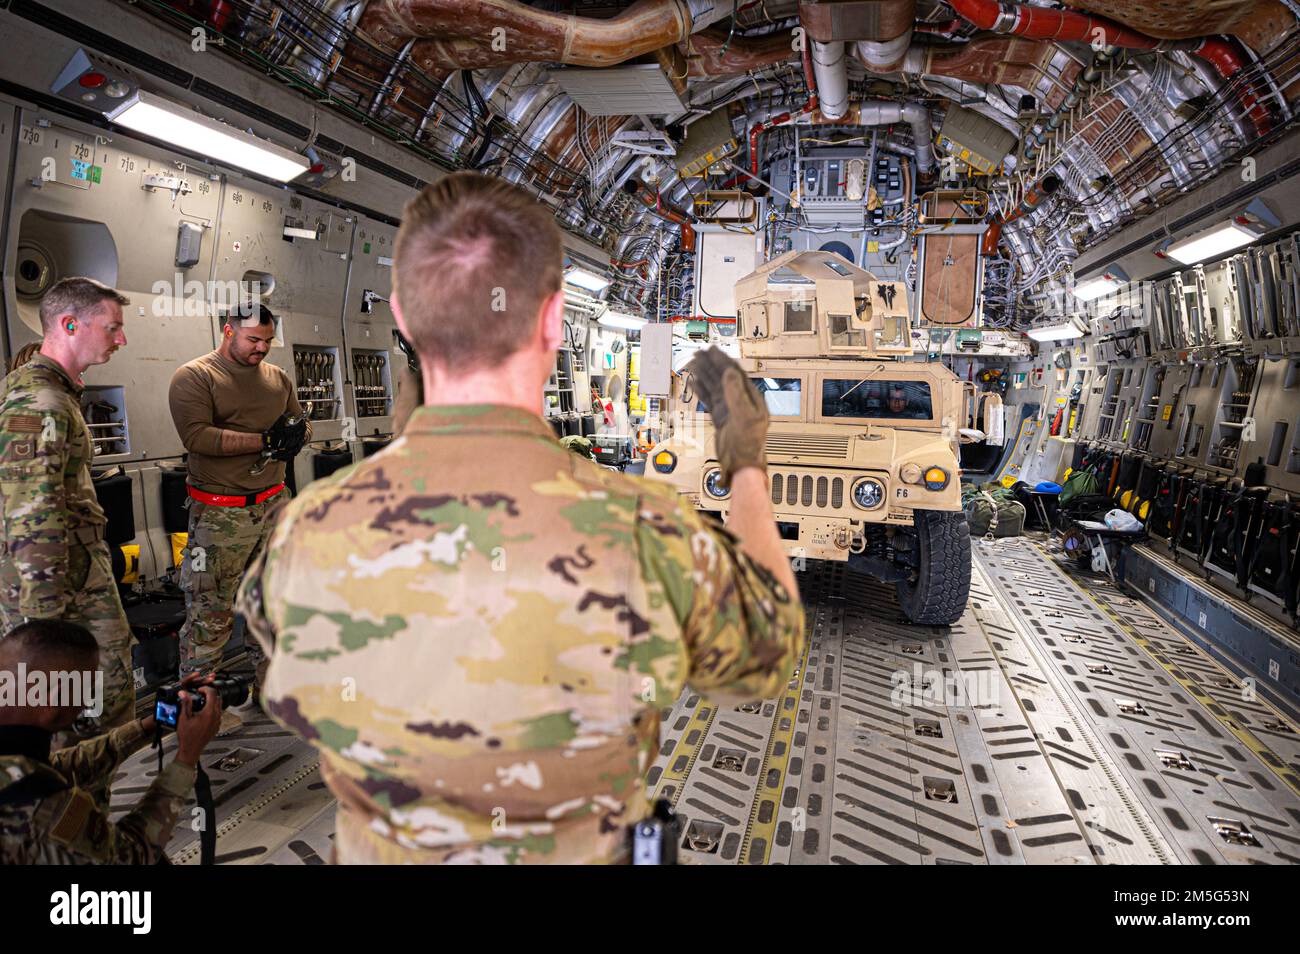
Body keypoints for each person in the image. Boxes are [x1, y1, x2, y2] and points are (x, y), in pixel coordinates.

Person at [235, 171, 805, 864]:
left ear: (405, 321)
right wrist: (746, 463)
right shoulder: (644, 528)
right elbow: (766, 655)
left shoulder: (308, 528)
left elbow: (285, 653)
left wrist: (411, 448)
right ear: (552, 319)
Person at [0, 277, 134, 743]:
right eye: (112, 328)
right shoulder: (41, 403)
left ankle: (85, 810)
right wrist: (44, 627)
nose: (121, 339)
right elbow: (32, 517)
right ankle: (69, 812)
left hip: (76, 578)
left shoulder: (58, 395)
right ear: (70, 324)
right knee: (78, 713)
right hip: (59, 593)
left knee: (100, 705)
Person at [167, 303, 308, 732]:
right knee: (210, 612)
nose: (261, 348)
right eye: (253, 340)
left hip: (273, 505)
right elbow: (197, 436)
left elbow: (298, 422)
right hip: (220, 514)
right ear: (228, 331)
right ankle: (200, 711)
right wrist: (263, 440)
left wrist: (297, 436)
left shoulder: (276, 378)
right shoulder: (196, 377)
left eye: (267, 340)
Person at [0, 619, 222, 863]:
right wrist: (186, 758)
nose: (86, 703)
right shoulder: (40, 804)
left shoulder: (16, 757)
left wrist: (149, 725)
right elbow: (132, 856)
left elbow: (60, 766)